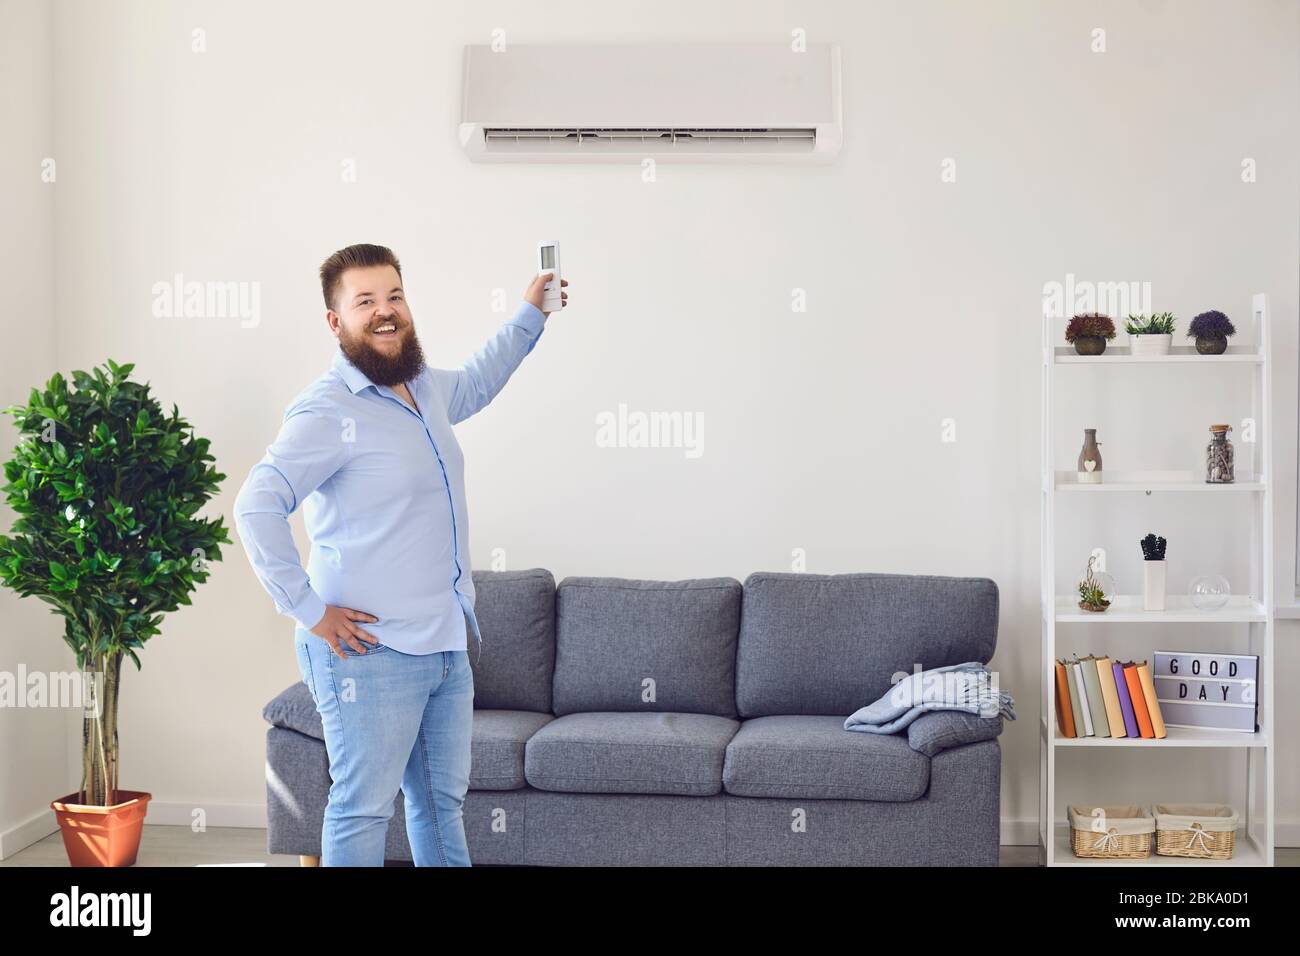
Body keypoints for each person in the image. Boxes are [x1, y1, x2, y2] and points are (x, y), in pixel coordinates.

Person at [233, 243, 567, 865]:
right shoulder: (328, 409)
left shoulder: (421, 387)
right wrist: (308, 610)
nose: (386, 312)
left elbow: (479, 380)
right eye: (366, 302)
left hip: (443, 641)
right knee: (362, 808)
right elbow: (255, 506)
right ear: (336, 323)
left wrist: (531, 314)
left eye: (394, 296)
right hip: (367, 650)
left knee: (440, 808)